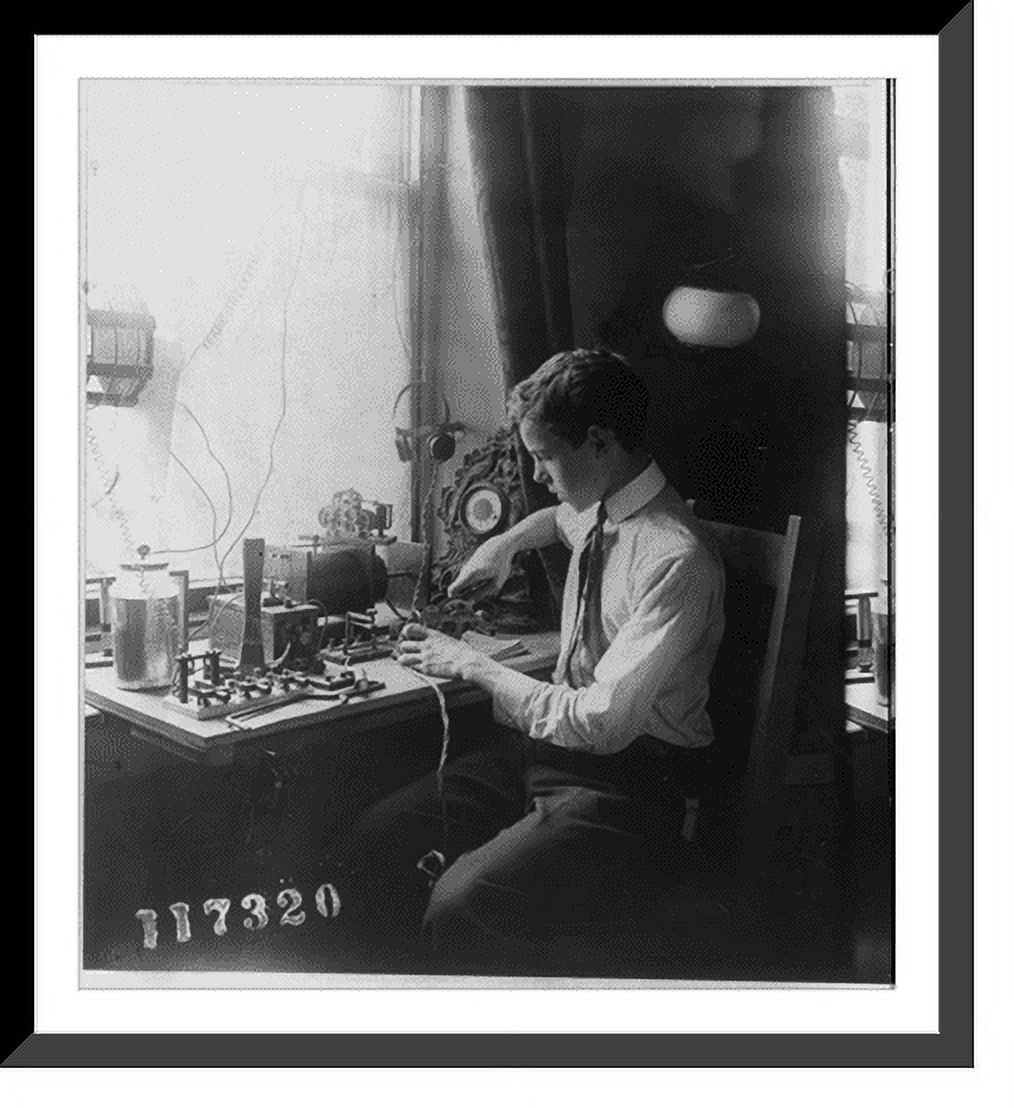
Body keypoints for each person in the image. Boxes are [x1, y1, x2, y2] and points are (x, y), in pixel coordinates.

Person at [341, 349, 725, 972]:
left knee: (459, 905)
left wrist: (473, 663)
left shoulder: (673, 558)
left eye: (546, 457)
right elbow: (558, 519)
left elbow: (601, 726)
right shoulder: (605, 509)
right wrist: (503, 544)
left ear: (598, 443)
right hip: (552, 758)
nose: (539, 475)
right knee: (379, 834)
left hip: (630, 785)